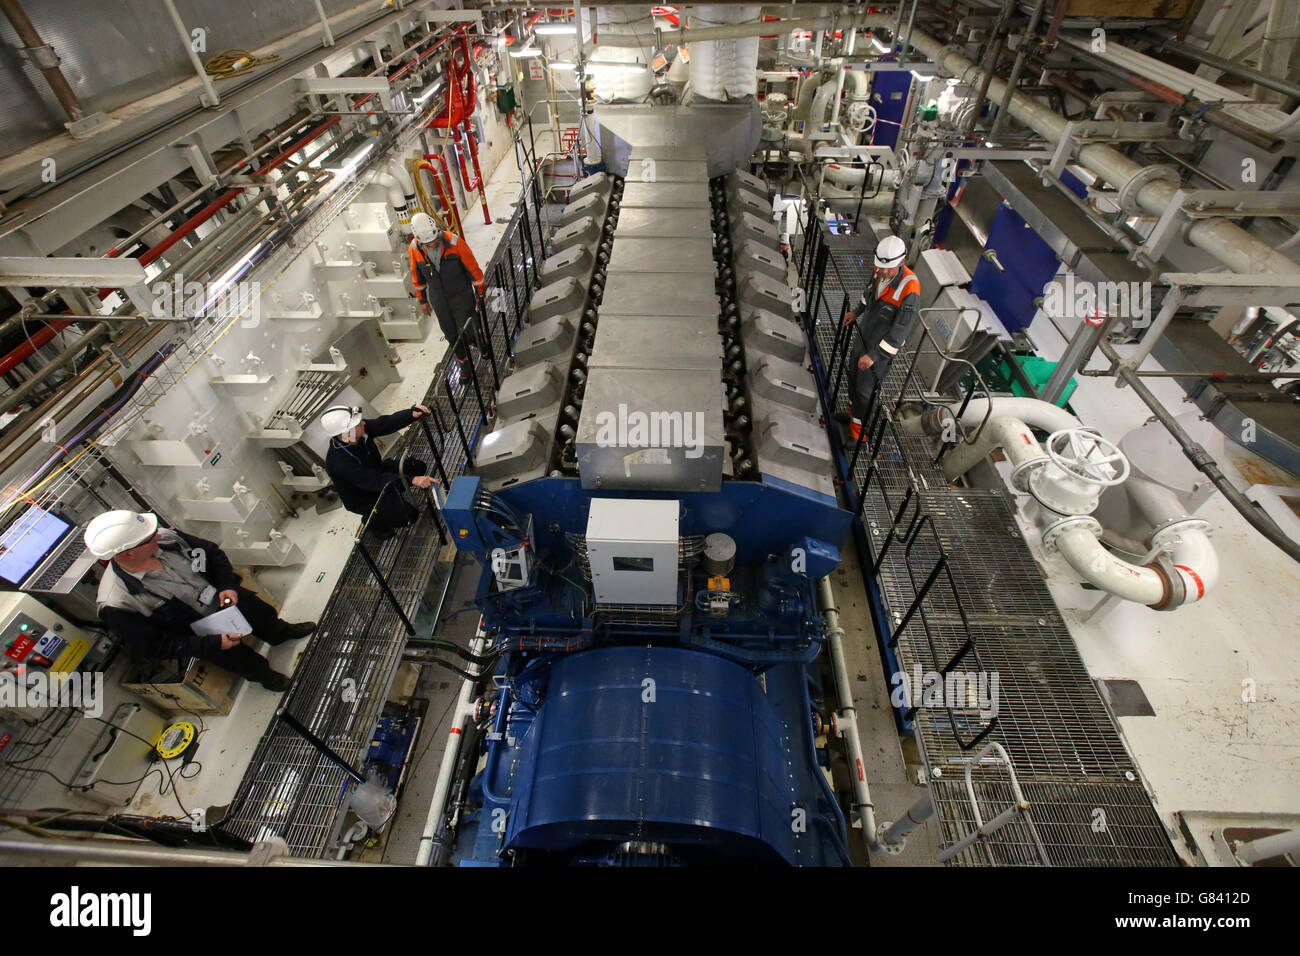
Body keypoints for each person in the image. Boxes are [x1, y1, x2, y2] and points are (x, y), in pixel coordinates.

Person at [87, 511, 316, 692]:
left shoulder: (167, 539)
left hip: (227, 600)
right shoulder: (117, 603)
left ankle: (281, 633)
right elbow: (155, 645)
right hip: (205, 636)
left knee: (263, 616)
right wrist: (210, 644)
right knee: (241, 661)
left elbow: (212, 552)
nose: (158, 535)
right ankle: (268, 678)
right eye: (149, 539)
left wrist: (227, 585)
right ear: (127, 553)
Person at [840, 234, 921, 440]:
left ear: (902, 262)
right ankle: (851, 419)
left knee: (865, 393)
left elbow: (899, 332)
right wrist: (855, 312)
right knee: (852, 380)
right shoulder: (879, 271)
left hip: (879, 351)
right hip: (863, 337)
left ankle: (860, 435)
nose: (883, 272)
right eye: (881, 267)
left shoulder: (910, 289)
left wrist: (874, 356)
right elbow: (868, 296)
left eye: (888, 269)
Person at [319, 403, 438, 540]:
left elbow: (383, 424)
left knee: (418, 467)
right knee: (409, 516)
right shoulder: (340, 463)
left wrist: (411, 414)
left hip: (376, 470)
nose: (363, 423)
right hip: (364, 495)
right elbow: (376, 481)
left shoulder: (355, 433)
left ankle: (394, 497)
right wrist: (413, 480)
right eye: (357, 424)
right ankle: (373, 520)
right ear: (346, 432)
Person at [407, 212, 486, 379]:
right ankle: (464, 364)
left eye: (434, 240)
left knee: (469, 326)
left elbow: (473, 269)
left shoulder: (455, 243)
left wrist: (480, 292)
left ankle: (479, 343)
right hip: (439, 300)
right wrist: (422, 300)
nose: (432, 244)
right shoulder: (415, 249)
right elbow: (417, 277)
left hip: (461, 295)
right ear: (419, 240)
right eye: (427, 243)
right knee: (450, 333)